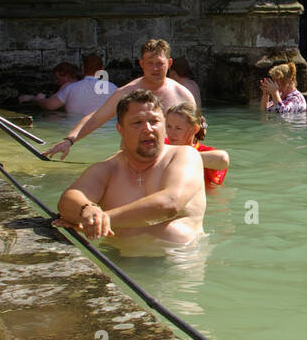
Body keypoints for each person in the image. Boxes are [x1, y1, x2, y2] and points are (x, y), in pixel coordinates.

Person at [54, 89, 204, 246]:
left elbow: (169, 204)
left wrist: (100, 220)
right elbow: (68, 200)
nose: (148, 128)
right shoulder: (108, 168)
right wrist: (87, 210)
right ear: (121, 129)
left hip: (180, 263)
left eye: (154, 121)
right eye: (137, 123)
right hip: (116, 259)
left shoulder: (185, 156)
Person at [44, 39, 197, 159]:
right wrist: (69, 140)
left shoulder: (182, 94)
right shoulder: (128, 92)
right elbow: (96, 118)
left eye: (160, 64)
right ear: (141, 63)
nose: (155, 69)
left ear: (169, 64)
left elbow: (195, 131)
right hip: (135, 160)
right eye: (150, 63)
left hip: (172, 159)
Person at [164, 102, 229, 187]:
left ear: (195, 129)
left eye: (178, 128)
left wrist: (178, 156)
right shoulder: (162, 144)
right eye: (168, 126)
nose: (171, 133)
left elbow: (223, 159)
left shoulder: (205, 152)